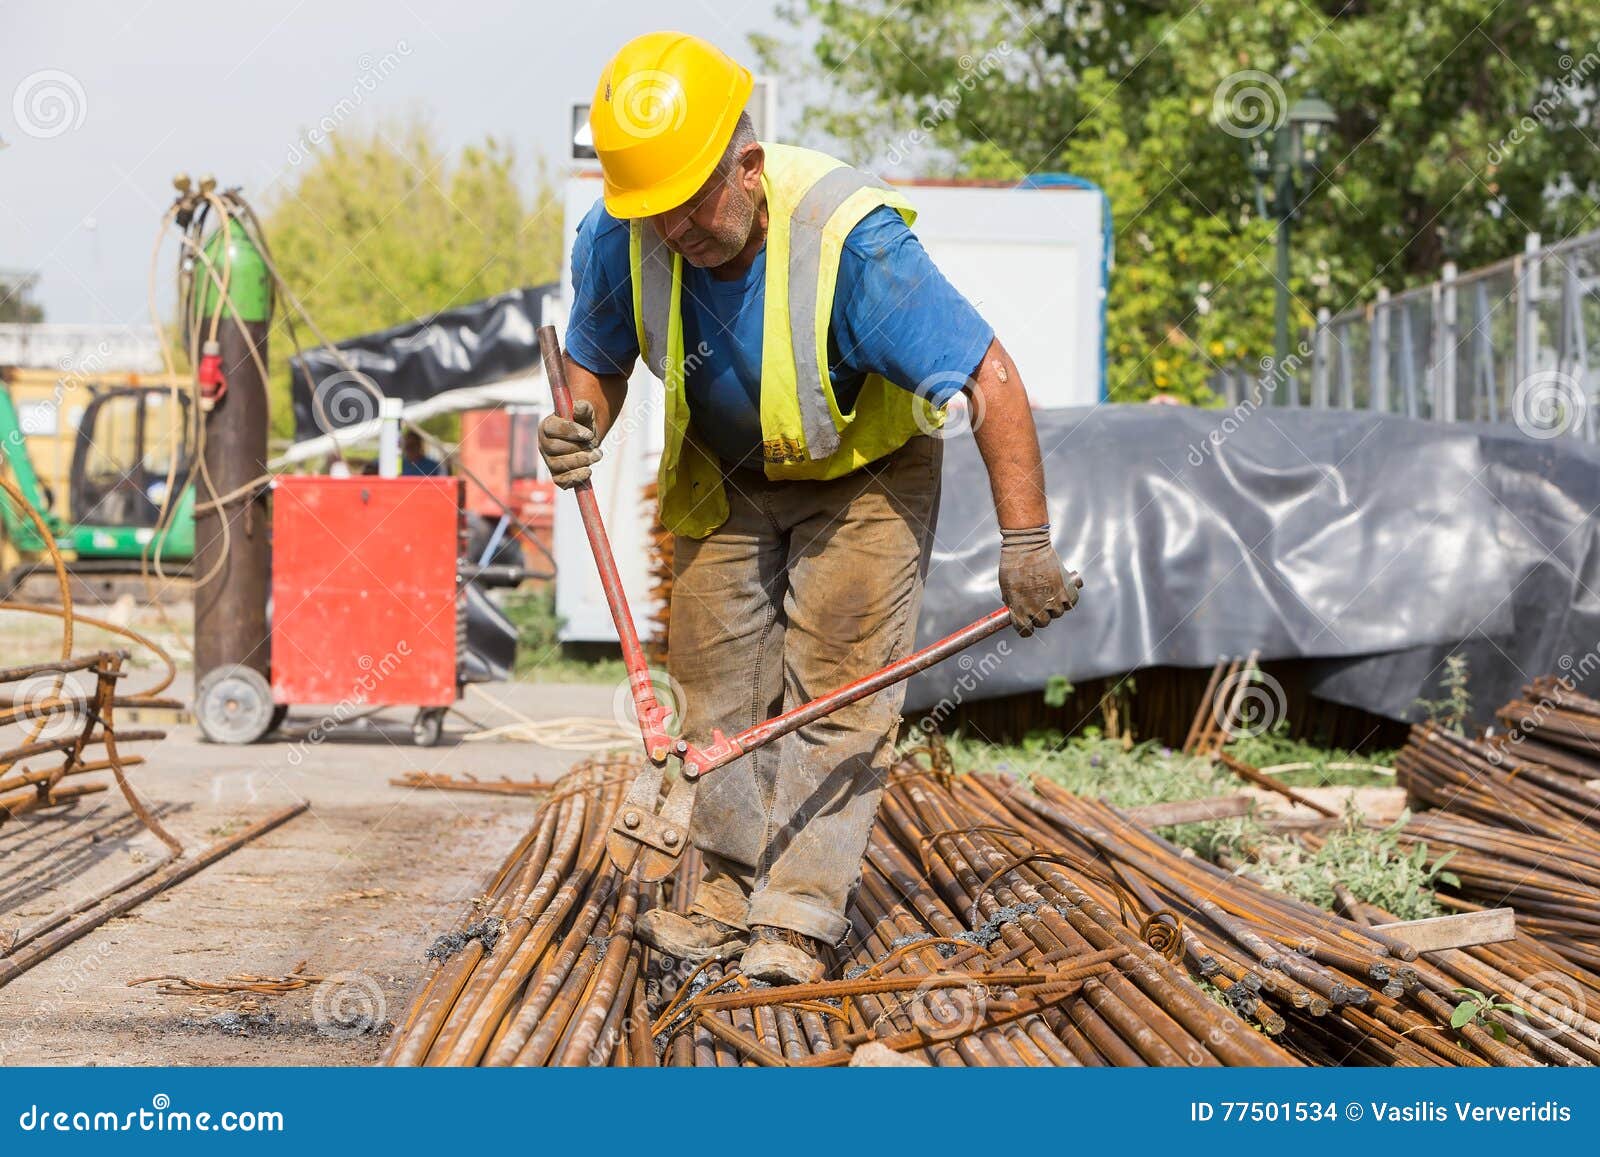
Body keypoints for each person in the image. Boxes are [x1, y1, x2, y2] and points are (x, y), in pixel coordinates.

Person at [540, 31, 1079, 985]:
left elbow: (989, 376)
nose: (674, 232)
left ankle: (795, 917)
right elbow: (597, 357)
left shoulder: (850, 240)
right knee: (714, 694)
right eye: (653, 212)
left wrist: (1026, 542)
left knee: (838, 692)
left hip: (863, 475)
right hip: (724, 469)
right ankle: (721, 893)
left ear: (747, 165)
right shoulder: (622, 234)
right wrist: (579, 421)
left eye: (690, 205)